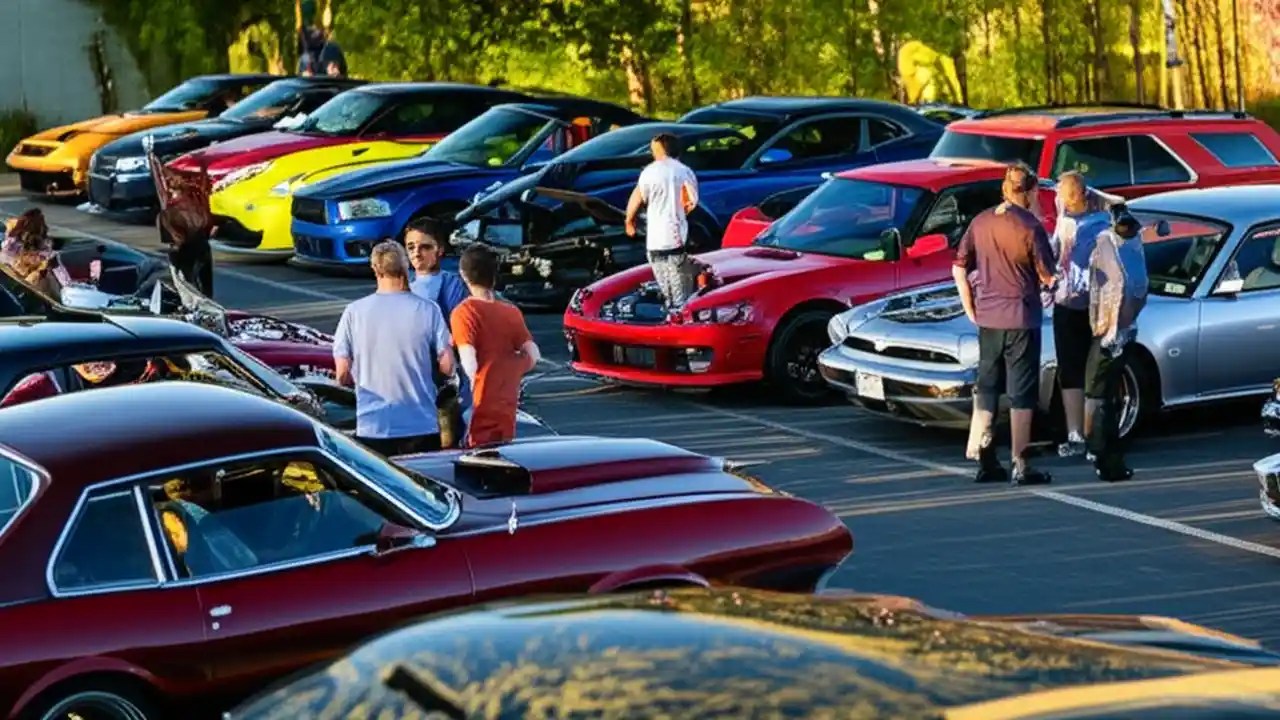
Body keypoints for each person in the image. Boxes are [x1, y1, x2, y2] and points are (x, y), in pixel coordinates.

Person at [952, 162, 1057, 485]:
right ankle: (1021, 463)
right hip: (1021, 317)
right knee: (1020, 393)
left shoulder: (981, 221)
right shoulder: (1029, 226)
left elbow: (958, 266)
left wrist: (970, 306)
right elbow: (1048, 276)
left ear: (1003, 187)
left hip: (988, 316)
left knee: (987, 387)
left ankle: (986, 460)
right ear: (1029, 190)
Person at [333, 241, 455, 456]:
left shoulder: (354, 312)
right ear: (405, 266)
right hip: (421, 424)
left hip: (373, 425)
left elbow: (342, 374)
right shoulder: (428, 310)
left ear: (374, 268)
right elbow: (447, 366)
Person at [1049, 172, 1122, 457]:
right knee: (1078, 371)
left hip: (1086, 307)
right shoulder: (1075, 222)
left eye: (1062, 194)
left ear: (1073, 196)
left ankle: (1088, 435)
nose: (1058, 199)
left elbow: (1066, 258)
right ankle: (1080, 434)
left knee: (1086, 373)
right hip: (1078, 306)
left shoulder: (1093, 226)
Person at [451, 245, 540, 447]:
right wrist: (513, 368)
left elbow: (469, 362)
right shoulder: (511, 312)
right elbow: (534, 355)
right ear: (494, 275)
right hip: (507, 402)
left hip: (480, 402)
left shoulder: (464, 312)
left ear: (463, 275)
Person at [1084, 205, 1148, 482]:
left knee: (1098, 394)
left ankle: (1101, 452)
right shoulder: (1134, 248)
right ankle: (1107, 453)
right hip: (1126, 329)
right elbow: (1139, 290)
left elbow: (1115, 287)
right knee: (1106, 395)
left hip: (1111, 332)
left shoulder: (1110, 246)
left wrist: (1109, 328)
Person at [625, 132, 699, 311]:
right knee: (679, 288)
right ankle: (679, 317)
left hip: (654, 240)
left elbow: (637, 197)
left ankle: (668, 313)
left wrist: (629, 221)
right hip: (675, 237)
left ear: (659, 149)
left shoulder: (648, 172)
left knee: (664, 286)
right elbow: (691, 202)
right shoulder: (684, 171)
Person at [406, 218, 468, 320]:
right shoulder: (401, 283)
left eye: (425, 247)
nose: (416, 253)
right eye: (411, 247)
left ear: (440, 250)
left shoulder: (455, 285)